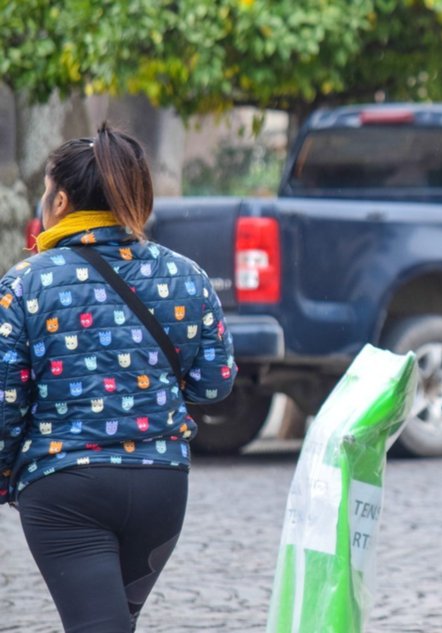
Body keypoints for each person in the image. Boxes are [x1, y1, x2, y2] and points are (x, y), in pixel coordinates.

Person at [0, 123, 236, 632]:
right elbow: (215, 384)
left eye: (45, 192)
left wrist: (5, 479)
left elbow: (4, 404)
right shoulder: (186, 275)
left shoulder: (24, 285)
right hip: (161, 485)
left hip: (65, 489)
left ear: (60, 201)